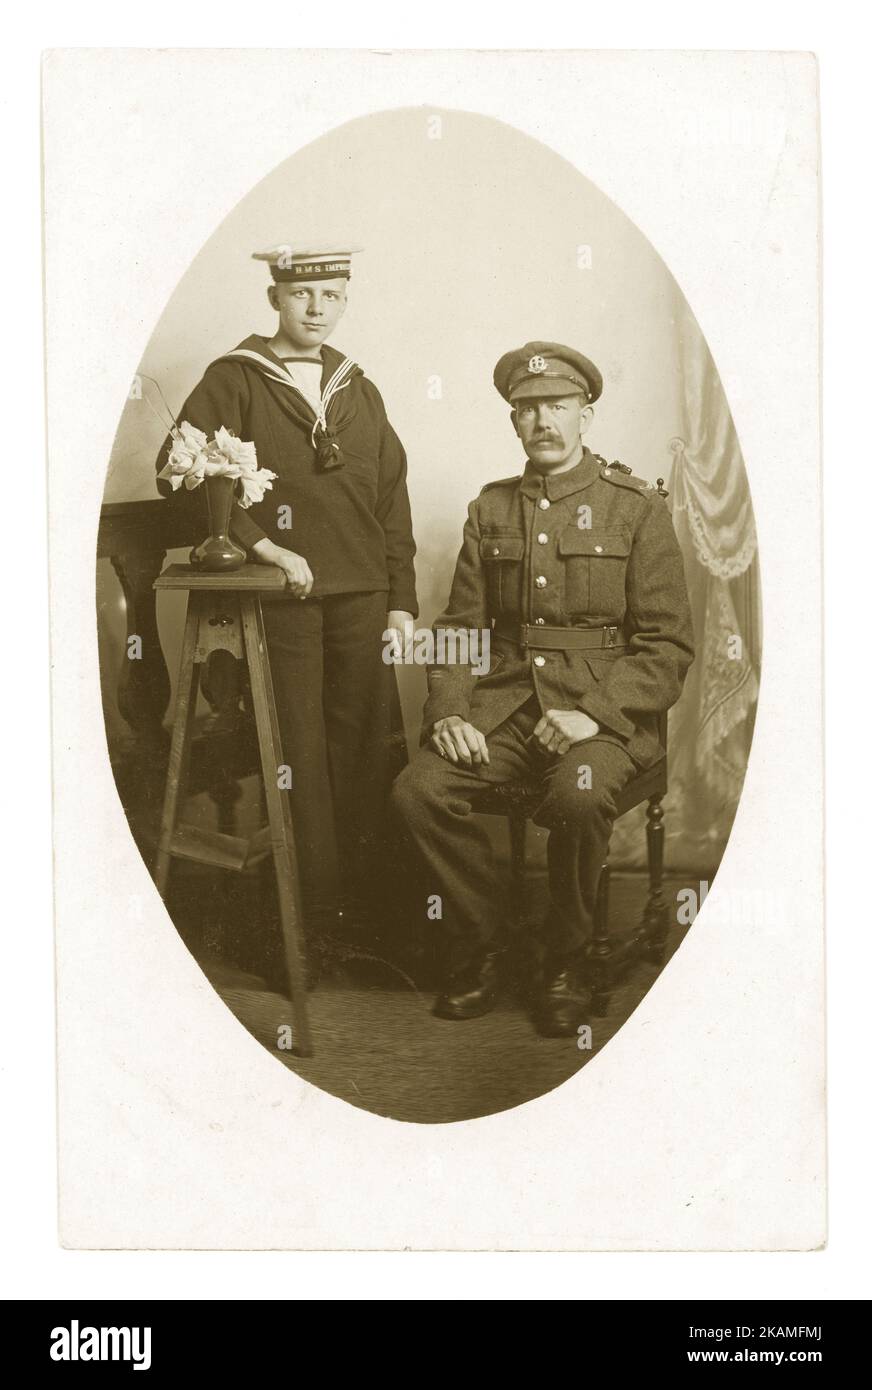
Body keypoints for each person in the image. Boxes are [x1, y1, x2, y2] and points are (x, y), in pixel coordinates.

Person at [391, 341, 694, 1036]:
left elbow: (669, 646)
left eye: (557, 407)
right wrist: (449, 713)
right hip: (504, 708)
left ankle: (563, 960)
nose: (542, 422)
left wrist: (595, 715)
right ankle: (492, 938)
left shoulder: (637, 508)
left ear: (586, 415)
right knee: (418, 790)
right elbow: (459, 630)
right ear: (513, 422)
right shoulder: (491, 509)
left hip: (606, 718)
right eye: (527, 410)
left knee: (578, 794)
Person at [155, 243, 418, 973]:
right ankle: (310, 922)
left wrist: (401, 600)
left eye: (332, 296)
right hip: (284, 597)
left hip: (363, 595)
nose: (317, 309)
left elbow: (390, 495)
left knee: (366, 750)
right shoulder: (233, 378)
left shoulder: (358, 387)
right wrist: (266, 549)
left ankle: (371, 917)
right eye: (303, 295)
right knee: (296, 755)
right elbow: (181, 474)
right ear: (275, 297)